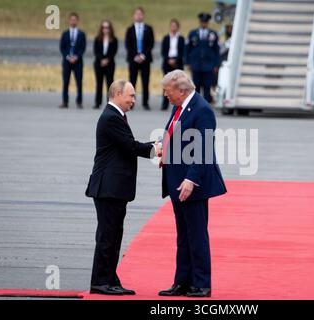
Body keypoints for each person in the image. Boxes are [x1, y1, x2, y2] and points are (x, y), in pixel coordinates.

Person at [86, 80, 161, 295]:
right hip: (108, 188)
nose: (133, 100)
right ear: (118, 94)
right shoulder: (111, 117)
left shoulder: (115, 116)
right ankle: (101, 282)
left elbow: (127, 145)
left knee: (113, 235)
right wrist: (155, 148)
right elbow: (130, 146)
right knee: (107, 236)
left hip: (113, 188)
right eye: (131, 96)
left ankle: (109, 278)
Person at [157, 70, 227, 298]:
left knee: (196, 235)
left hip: (191, 184)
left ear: (181, 90)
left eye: (167, 91)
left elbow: (204, 149)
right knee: (183, 236)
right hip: (176, 180)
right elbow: (173, 133)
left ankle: (202, 284)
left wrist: (190, 179)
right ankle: (182, 282)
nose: (165, 95)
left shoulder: (202, 110)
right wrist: (165, 152)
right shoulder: (179, 106)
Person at [185, 13, 220, 103]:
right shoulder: (193, 33)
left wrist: (216, 64)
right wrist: (187, 62)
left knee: (207, 87)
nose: (203, 24)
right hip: (196, 65)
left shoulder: (213, 34)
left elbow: (217, 50)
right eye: (202, 22)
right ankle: (196, 107)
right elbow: (187, 49)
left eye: (205, 22)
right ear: (199, 22)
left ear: (208, 23)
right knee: (196, 88)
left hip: (208, 66)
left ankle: (205, 107)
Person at [125, 7, 155, 110]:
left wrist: (143, 55)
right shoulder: (130, 29)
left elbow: (151, 43)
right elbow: (128, 44)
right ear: (134, 16)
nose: (138, 16)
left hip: (145, 59)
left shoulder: (148, 28)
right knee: (132, 82)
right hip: (133, 59)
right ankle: (131, 103)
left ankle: (145, 102)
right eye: (137, 14)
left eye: (140, 14)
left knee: (145, 81)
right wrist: (135, 56)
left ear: (143, 16)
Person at [59, 12, 86, 109]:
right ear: (69, 21)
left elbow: (83, 48)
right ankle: (65, 101)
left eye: (75, 20)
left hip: (78, 62)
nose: (73, 21)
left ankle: (79, 102)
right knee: (66, 81)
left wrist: (76, 57)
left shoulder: (81, 34)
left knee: (79, 82)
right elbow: (62, 47)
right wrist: (67, 56)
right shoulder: (65, 34)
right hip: (67, 62)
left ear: (77, 21)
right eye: (71, 19)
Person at [93, 20, 118, 109]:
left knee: (109, 84)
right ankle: (97, 102)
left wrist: (107, 60)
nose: (105, 29)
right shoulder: (97, 39)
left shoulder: (114, 39)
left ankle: (110, 103)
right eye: (103, 27)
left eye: (107, 27)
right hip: (99, 63)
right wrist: (101, 60)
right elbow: (96, 51)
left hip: (110, 64)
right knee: (99, 83)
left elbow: (114, 51)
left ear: (110, 28)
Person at [161, 19, 185, 111]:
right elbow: (163, 51)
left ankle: (179, 104)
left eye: (175, 26)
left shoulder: (181, 38)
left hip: (177, 63)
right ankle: (165, 104)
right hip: (167, 62)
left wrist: (175, 60)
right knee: (166, 84)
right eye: (172, 26)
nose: (173, 28)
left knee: (178, 85)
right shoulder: (166, 38)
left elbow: (182, 51)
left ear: (178, 27)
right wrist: (168, 59)